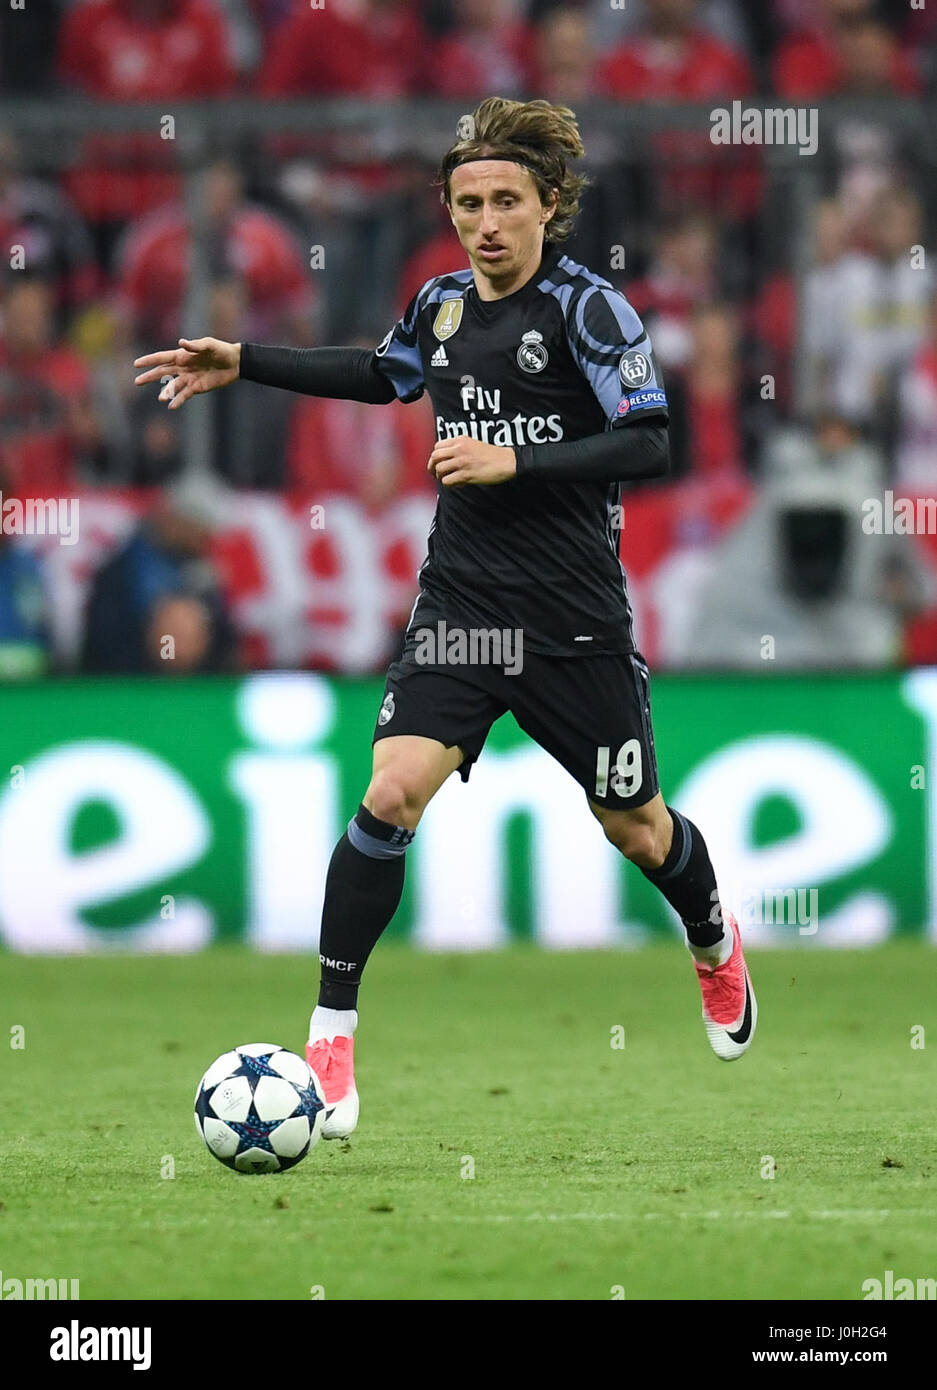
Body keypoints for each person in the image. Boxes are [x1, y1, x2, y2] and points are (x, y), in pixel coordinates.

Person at [134, 97, 758, 1142]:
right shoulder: (439, 305)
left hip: (574, 620)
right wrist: (248, 359)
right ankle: (331, 1031)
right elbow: (383, 377)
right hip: (464, 605)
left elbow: (651, 441)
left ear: (548, 205)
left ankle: (708, 932)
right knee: (388, 791)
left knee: (635, 825)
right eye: (467, 202)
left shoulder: (590, 312)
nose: (485, 221)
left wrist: (516, 460)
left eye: (506, 201)